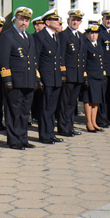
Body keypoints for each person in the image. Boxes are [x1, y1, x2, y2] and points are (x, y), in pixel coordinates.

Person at [0, 7, 38, 149]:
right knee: (13, 111)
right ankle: (13, 140)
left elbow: (33, 60)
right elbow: (3, 60)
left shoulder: (29, 37)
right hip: (14, 82)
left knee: (25, 112)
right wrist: (7, 79)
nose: (24, 23)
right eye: (21, 20)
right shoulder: (7, 36)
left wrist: (36, 79)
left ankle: (23, 138)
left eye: (26, 20)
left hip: (28, 80)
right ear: (15, 20)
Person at [34, 9, 66, 144]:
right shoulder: (40, 37)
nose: (58, 22)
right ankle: (44, 135)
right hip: (45, 78)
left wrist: (62, 73)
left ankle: (51, 133)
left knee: (52, 108)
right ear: (47, 22)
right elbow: (35, 59)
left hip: (55, 77)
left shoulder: (56, 36)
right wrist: (38, 79)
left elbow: (59, 58)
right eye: (55, 20)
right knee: (45, 107)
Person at [57, 9, 85, 137]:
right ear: (68, 20)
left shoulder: (80, 35)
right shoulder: (63, 35)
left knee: (72, 103)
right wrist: (63, 73)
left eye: (78, 20)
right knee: (65, 102)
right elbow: (61, 55)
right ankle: (63, 127)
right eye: (73, 20)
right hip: (68, 75)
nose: (75, 22)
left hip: (78, 75)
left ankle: (70, 126)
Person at [80, 24, 106, 133]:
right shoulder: (85, 45)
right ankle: (89, 123)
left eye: (95, 33)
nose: (94, 35)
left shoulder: (99, 45)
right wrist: (84, 76)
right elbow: (83, 62)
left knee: (96, 101)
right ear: (87, 34)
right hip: (90, 76)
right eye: (91, 33)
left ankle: (94, 122)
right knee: (88, 101)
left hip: (98, 76)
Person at [99, 10, 110, 128]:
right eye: (107, 19)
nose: (109, 21)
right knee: (102, 95)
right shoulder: (99, 32)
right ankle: (101, 119)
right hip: (103, 68)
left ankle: (108, 117)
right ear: (103, 19)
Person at [30, 16, 46, 125]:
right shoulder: (34, 37)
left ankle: (37, 114)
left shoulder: (43, 36)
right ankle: (34, 114)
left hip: (43, 69)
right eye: (42, 24)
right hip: (36, 69)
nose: (44, 26)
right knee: (35, 96)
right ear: (36, 26)